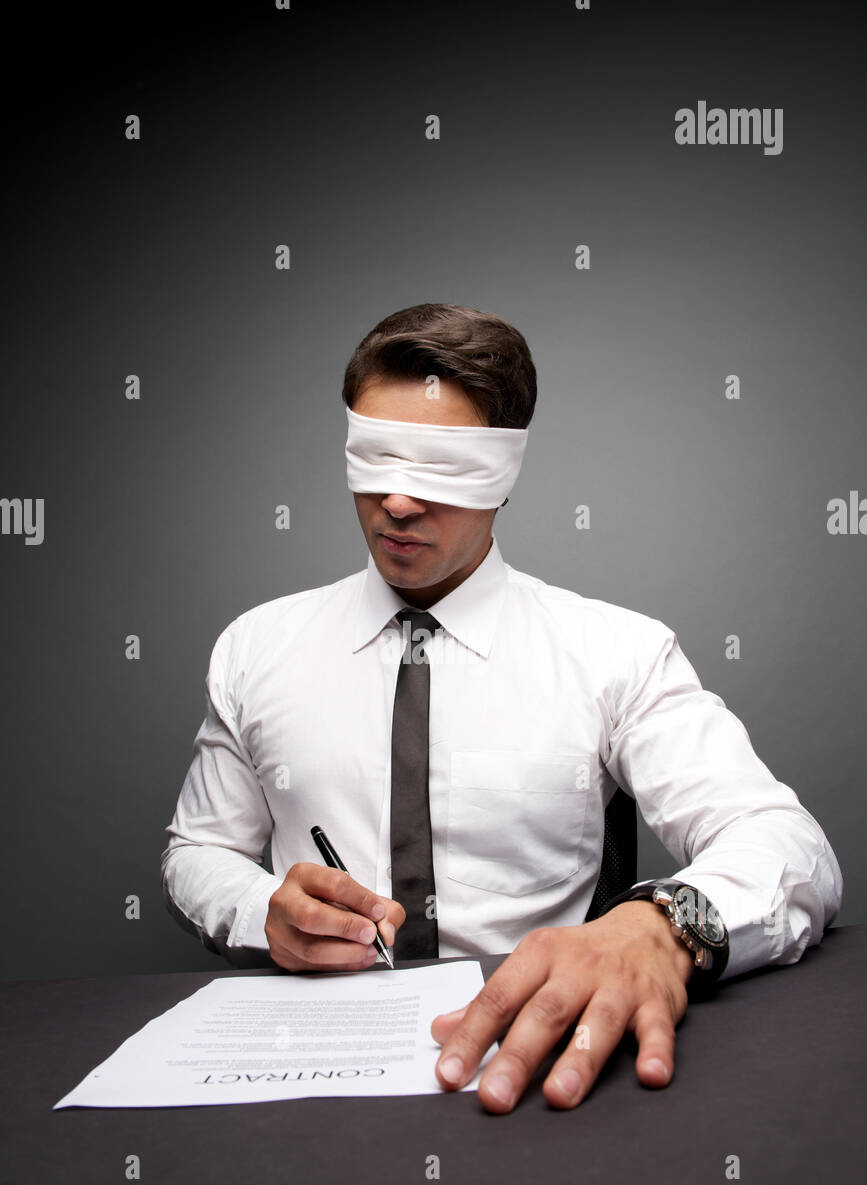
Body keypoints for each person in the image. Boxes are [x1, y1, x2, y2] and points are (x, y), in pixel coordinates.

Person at [161, 301, 843, 1115]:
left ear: (505, 472)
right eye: (376, 459)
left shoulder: (613, 653)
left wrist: (660, 926)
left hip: (538, 1076)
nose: (399, 503)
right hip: (303, 1079)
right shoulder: (255, 647)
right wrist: (257, 908)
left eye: (443, 468)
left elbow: (788, 846)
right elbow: (197, 849)